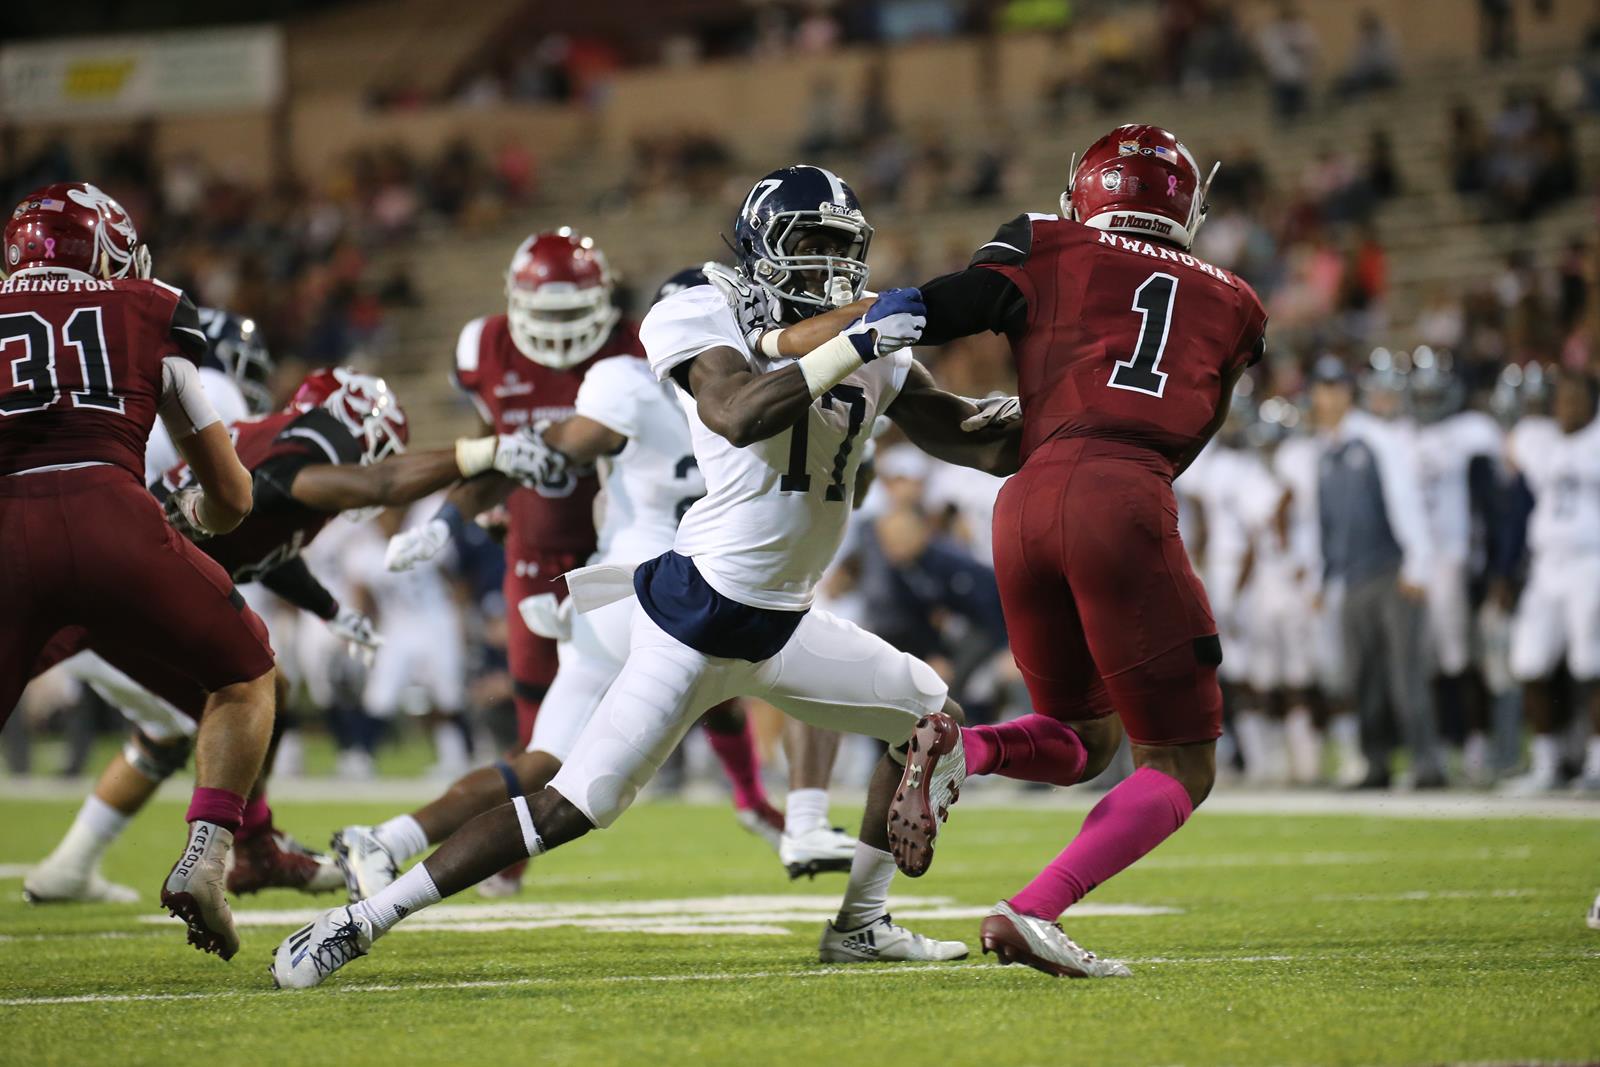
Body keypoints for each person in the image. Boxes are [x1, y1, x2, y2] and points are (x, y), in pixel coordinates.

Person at [270, 165, 1020, 989]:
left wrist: (1066, 411)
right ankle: (360, 919)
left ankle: (862, 924)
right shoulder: (703, 309)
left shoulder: (875, 344)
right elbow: (736, 411)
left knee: (929, 716)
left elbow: (977, 441)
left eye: (841, 246)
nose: (828, 262)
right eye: (809, 241)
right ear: (763, 247)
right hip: (696, 615)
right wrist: (857, 342)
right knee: (567, 805)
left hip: (786, 622)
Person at [884, 124, 1267, 979]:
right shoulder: (1236, 300)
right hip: (1124, 494)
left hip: (1023, 499)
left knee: (1082, 736)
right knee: (1181, 761)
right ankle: (1033, 909)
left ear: (1084, 194)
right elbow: (1193, 433)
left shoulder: (1045, 240)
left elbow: (935, 309)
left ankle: (966, 749)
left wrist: (845, 330)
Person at [24, 367, 559, 913]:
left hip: (123, 577)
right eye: (376, 444)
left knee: (252, 684)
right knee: (249, 683)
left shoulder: (282, 456)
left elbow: (266, 545)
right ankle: (247, 849)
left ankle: (250, 845)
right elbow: (378, 483)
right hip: (126, 581)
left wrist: (330, 610)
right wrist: (479, 452)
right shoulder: (308, 440)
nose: (371, 457)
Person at [0, 182, 269, 960]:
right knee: (246, 672)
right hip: (112, 516)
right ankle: (207, 856)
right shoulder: (150, 308)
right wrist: (204, 517)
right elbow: (232, 495)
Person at [1310, 357, 1443, 789]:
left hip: (1390, 569)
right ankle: (1376, 762)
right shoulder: (1324, 451)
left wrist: (1417, 561)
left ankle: (1427, 762)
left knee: (1406, 673)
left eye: (1336, 387)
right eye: (1323, 388)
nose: (1329, 397)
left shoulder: (1376, 438)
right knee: (1364, 677)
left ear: (1348, 393)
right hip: (1352, 577)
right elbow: (1326, 521)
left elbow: (1405, 498)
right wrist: (1323, 577)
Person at [1503, 369, 1600, 793]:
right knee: (1530, 662)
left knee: (1591, 664)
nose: (1568, 406)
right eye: (1562, 397)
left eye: (1577, 398)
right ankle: (1547, 764)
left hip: (1591, 561)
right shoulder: (1539, 437)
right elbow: (1511, 449)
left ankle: (1597, 762)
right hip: (1546, 565)